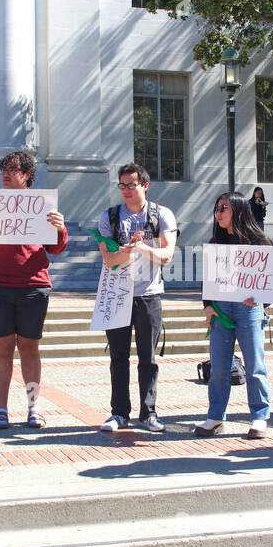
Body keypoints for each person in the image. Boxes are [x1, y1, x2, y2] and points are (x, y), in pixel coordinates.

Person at [0, 151, 68, 429]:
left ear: (27, 175)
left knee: (30, 348)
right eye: (3, 170)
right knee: (2, 349)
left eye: (12, 170)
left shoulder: (43, 206)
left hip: (33, 286)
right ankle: (1, 410)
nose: (6, 175)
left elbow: (56, 248)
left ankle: (34, 408)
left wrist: (60, 228)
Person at [96, 163, 178, 432]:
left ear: (145, 185)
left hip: (149, 295)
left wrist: (141, 246)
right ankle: (119, 413)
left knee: (148, 357)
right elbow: (109, 260)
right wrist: (129, 251)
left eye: (132, 185)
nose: (127, 190)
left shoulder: (161, 214)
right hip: (117, 294)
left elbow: (166, 256)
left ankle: (149, 412)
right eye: (122, 185)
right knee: (118, 356)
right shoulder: (108, 217)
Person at [194, 193, 272, 439]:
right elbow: (208, 279)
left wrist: (261, 298)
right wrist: (208, 307)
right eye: (216, 208)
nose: (218, 213)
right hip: (221, 309)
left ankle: (259, 417)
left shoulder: (259, 243)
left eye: (224, 208)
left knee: (255, 366)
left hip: (249, 309)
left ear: (238, 210)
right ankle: (216, 417)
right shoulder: (215, 243)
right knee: (218, 366)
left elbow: (271, 281)